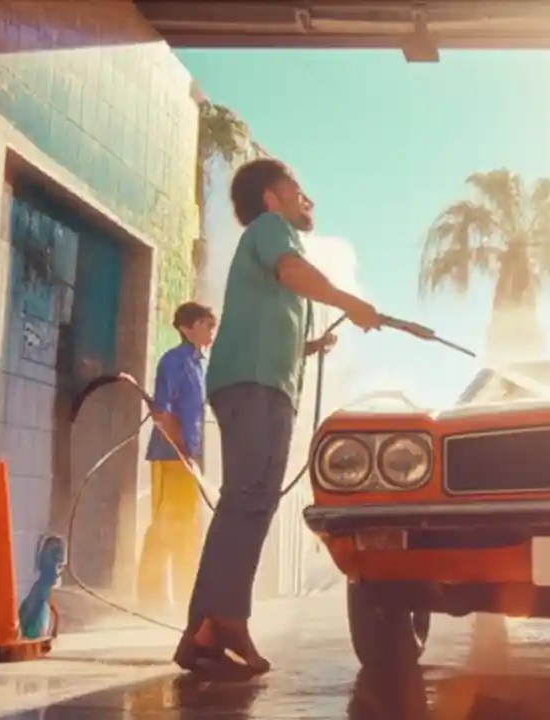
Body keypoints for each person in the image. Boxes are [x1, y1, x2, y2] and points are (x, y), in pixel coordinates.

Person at [173, 158, 383, 679]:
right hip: (256, 386)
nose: (305, 198)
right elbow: (292, 274)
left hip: (263, 384)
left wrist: (310, 345)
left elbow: (271, 319)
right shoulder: (273, 231)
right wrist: (351, 301)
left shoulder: (275, 241)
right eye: (297, 188)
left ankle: (211, 627)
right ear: (271, 197)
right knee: (248, 499)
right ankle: (219, 623)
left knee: (250, 501)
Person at [137, 302, 217, 615]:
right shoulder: (174, 362)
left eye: (212, 324)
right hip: (170, 455)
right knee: (164, 526)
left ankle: (186, 595)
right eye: (205, 324)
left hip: (189, 456)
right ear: (186, 328)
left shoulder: (201, 364)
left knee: (187, 527)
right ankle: (151, 597)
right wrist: (182, 447)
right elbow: (161, 412)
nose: (211, 330)